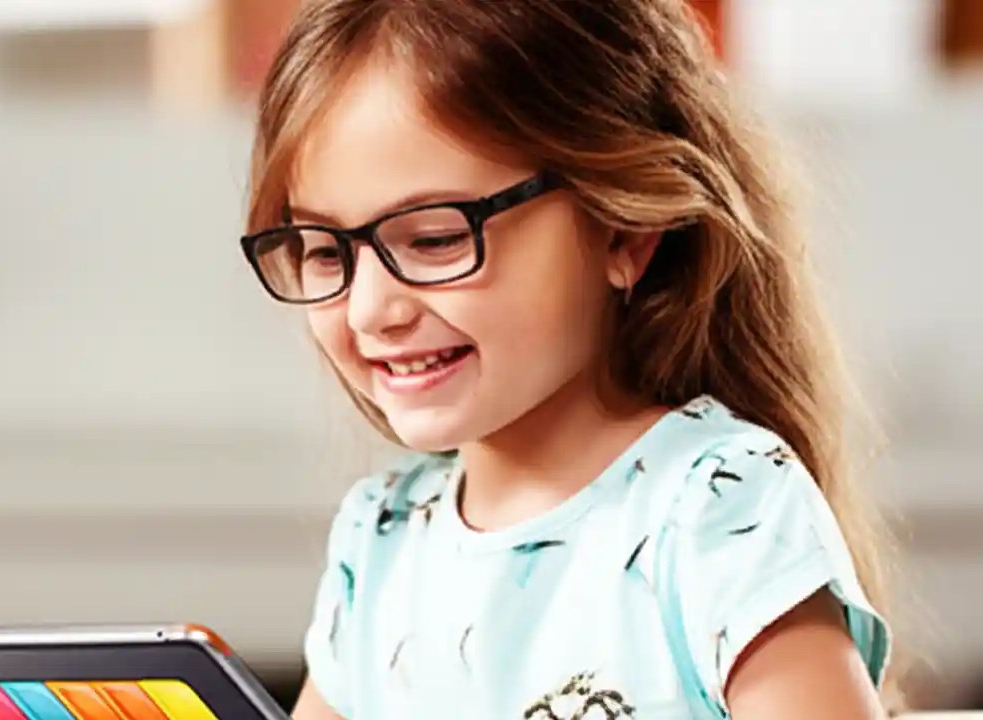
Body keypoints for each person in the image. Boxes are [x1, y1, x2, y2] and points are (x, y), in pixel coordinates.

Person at [237, 1, 898, 718]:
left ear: (623, 231)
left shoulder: (715, 511)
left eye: (433, 239)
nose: (371, 310)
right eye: (325, 251)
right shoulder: (380, 542)